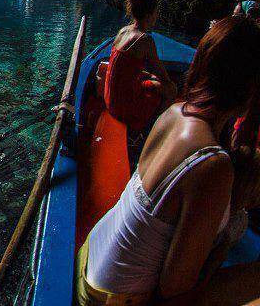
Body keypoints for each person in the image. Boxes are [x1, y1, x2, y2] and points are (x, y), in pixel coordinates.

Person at [78, 16, 260, 305]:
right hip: (110, 297)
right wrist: (226, 233)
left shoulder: (174, 113)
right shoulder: (214, 165)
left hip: (90, 258)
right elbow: (175, 291)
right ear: (250, 89)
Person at [106, 0, 179, 163]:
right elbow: (163, 76)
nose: (156, 17)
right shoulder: (144, 40)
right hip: (123, 105)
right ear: (149, 15)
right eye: (155, 13)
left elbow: (125, 68)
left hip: (110, 99)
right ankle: (146, 132)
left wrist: (149, 77)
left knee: (154, 82)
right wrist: (160, 81)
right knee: (171, 90)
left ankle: (143, 129)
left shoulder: (123, 31)